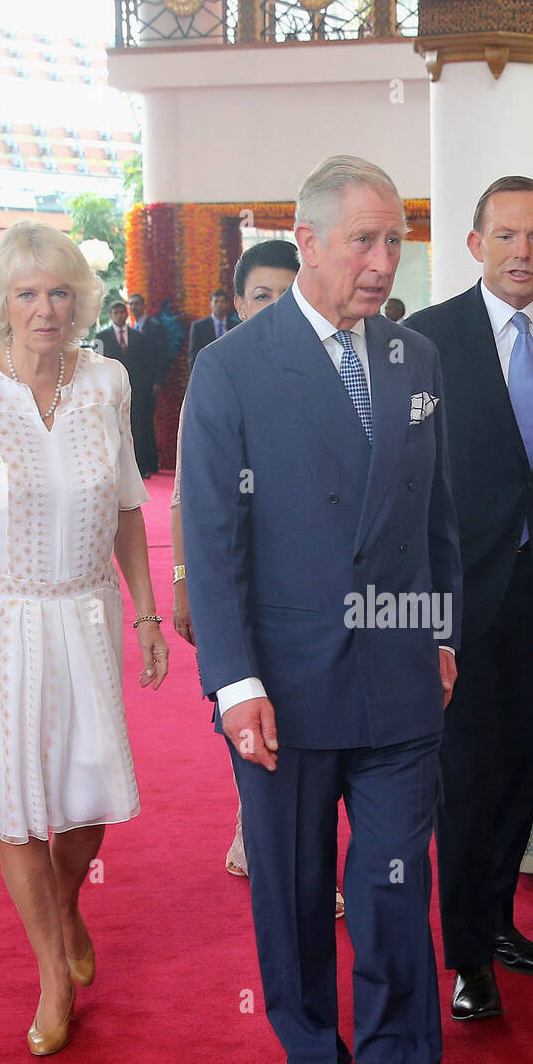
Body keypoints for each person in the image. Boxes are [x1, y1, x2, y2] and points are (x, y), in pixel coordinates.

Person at [180, 155, 467, 1064]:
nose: (384, 261)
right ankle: (312, 1058)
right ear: (305, 241)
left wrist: (437, 627)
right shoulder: (231, 368)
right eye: (362, 240)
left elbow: (435, 517)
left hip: (396, 679)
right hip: (283, 689)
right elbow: (211, 542)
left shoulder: (414, 361)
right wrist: (234, 681)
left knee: (392, 879)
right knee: (295, 885)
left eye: (395, 241)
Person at [0, 222, 169, 1058]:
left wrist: (146, 612)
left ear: (80, 300)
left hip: (85, 611)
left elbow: (129, 506)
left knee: (92, 794)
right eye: (27, 293)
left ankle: (63, 903)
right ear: (1, 304)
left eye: (59, 291)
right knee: (18, 806)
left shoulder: (108, 383)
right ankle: (53, 974)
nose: (44, 308)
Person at [406, 177, 533, 1023]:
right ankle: (464, 955)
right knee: (465, 777)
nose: (521, 252)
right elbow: (407, 485)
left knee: (526, 766)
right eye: (504, 236)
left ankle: (496, 923)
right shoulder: (424, 338)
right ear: (474, 243)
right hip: (460, 601)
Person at [170, 238, 300, 884]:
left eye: (286, 293)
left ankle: (280, 837)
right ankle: (262, 830)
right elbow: (188, 501)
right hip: (235, 577)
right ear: (237, 302)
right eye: (261, 296)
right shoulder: (219, 374)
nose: (274, 308)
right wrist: (184, 580)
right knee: (245, 699)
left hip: (307, 587)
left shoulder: (331, 371)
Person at [95, 301, 157, 469]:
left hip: (136, 390)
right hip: (111, 391)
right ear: (111, 315)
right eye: (116, 312)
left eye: (123, 312)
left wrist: (146, 385)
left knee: (137, 427)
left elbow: (147, 363)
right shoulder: (101, 337)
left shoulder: (138, 336)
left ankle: (139, 466)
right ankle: (115, 465)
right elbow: (98, 364)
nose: (120, 315)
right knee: (113, 427)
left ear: (127, 314)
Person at [127, 292, 168, 477]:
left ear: (143, 306)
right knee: (141, 422)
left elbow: (162, 356)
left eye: (136, 304)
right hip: (137, 385)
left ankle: (149, 463)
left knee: (145, 423)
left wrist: (159, 380)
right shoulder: (132, 328)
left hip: (150, 383)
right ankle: (149, 462)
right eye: (131, 304)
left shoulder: (154, 327)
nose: (134, 307)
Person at [188, 288, 240, 364]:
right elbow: (194, 356)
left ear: (227, 304)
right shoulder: (199, 327)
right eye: (216, 301)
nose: (219, 305)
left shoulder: (236, 327)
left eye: (222, 302)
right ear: (210, 304)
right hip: (208, 371)